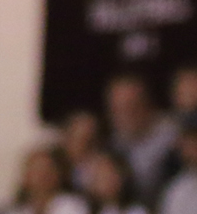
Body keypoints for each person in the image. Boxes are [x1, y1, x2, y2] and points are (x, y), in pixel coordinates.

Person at [106, 73, 179, 207]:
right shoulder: (114, 145)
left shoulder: (173, 142)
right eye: (117, 110)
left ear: (148, 105)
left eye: (131, 107)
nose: (124, 116)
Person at [2, 146, 89, 214]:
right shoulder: (16, 211)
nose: (43, 175)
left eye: (48, 169)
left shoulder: (72, 206)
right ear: (26, 177)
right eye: (37, 170)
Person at [78, 148, 147, 214]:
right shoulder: (81, 209)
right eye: (101, 176)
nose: (107, 181)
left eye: (111, 174)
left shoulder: (136, 210)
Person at [61, 110, 106, 192]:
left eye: (90, 139)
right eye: (80, 138)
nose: (84, 144)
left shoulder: (102, 169)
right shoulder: (56, 164)